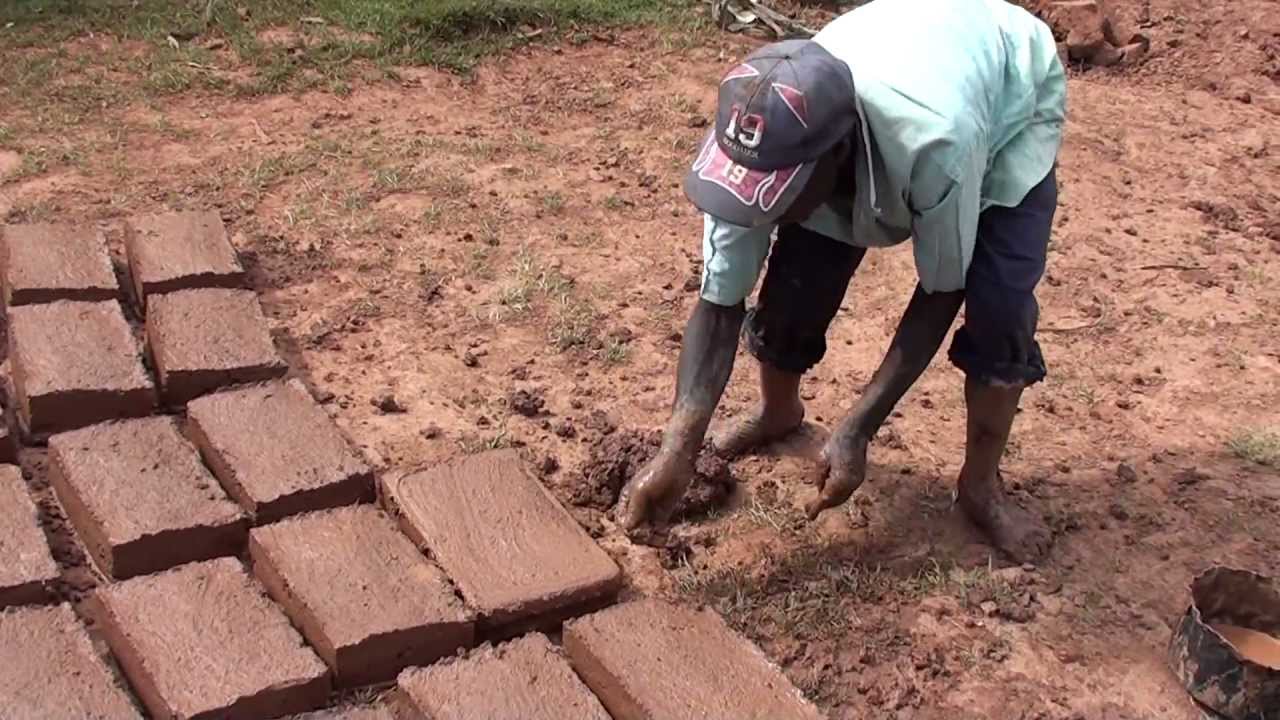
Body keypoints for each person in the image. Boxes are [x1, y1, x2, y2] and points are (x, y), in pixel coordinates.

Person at [618, 0, 1067, 563]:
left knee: (1001, 305)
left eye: (778, 195)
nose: (759, 215)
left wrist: (858, 428)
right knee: (799, 273)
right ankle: (779, 411)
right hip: (899, 62)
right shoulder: (756, 138)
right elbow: (718, 302)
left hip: (1005, 95)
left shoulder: (937, 145)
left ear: (833, 161)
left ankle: (980, 485)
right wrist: (678, 447)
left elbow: (941, 289)